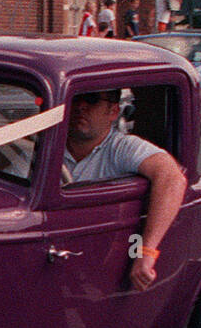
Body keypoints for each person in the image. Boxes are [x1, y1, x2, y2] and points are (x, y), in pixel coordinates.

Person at [62, 89, 187, 292]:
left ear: (113, 112)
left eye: (92, 99)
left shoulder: (122, 148)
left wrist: (146, 252)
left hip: (97, 261)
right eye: (75, 99)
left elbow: (172, 178)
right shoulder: (47, 146)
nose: (80, 106)